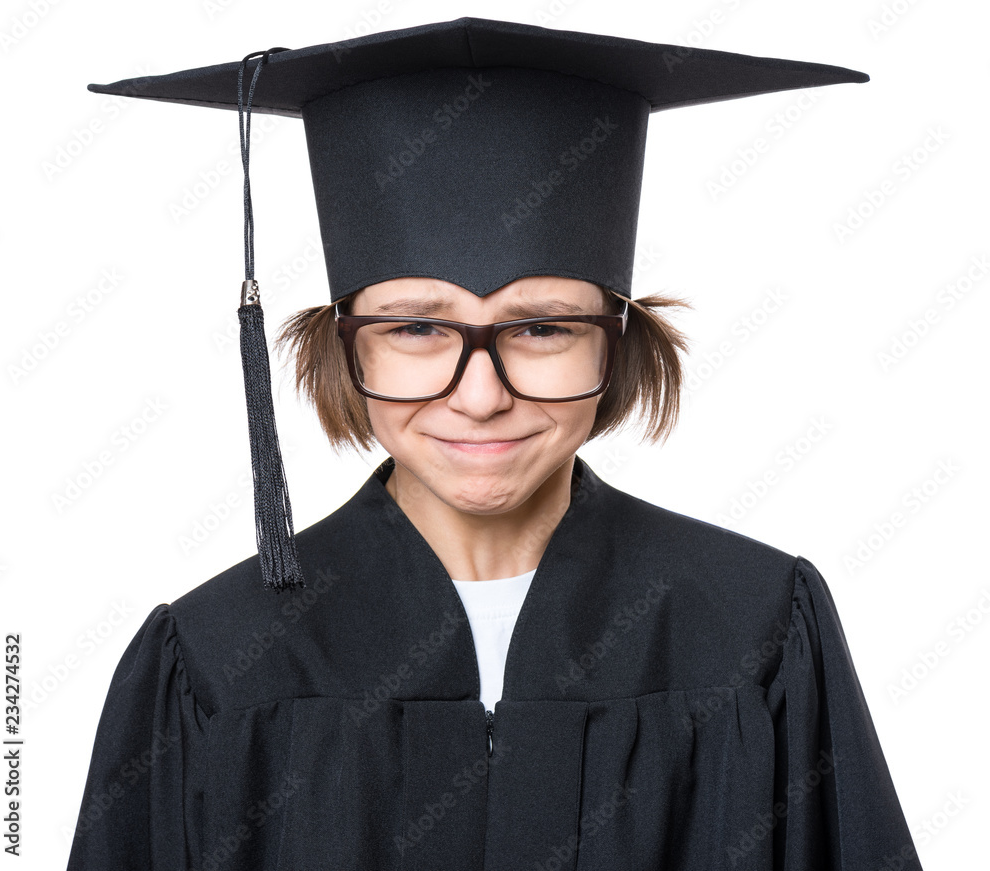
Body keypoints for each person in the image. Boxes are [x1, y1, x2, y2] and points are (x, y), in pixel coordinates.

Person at [67, 16, 923, 870]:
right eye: (415, 327)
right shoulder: (217, 660)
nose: (480, 397)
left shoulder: (753, 630)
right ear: (345, 344)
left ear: (617, 340)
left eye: (542, 327)